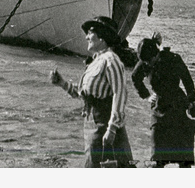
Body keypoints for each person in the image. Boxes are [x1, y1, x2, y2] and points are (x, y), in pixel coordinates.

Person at [50, 16, 138, 167]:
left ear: (102, 37)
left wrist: (112, 128)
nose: (86, 37)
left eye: (90, 33)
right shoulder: (96, 61)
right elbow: (83, 94)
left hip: (106, 127)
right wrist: (62, 83)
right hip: (93, 127)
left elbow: (120, 93)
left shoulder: (111, 60)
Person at [131, 34, 195, 167]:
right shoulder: (145, 61)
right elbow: (135, 77)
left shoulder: (173, 59)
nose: (147, 64)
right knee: (157, 158)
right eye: (145, 62)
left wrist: (191, 103)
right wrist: (146, 96)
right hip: (159, 109)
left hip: (178, 108)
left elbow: (187, 81)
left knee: (184, 161)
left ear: (156, 54)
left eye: (150, 61)